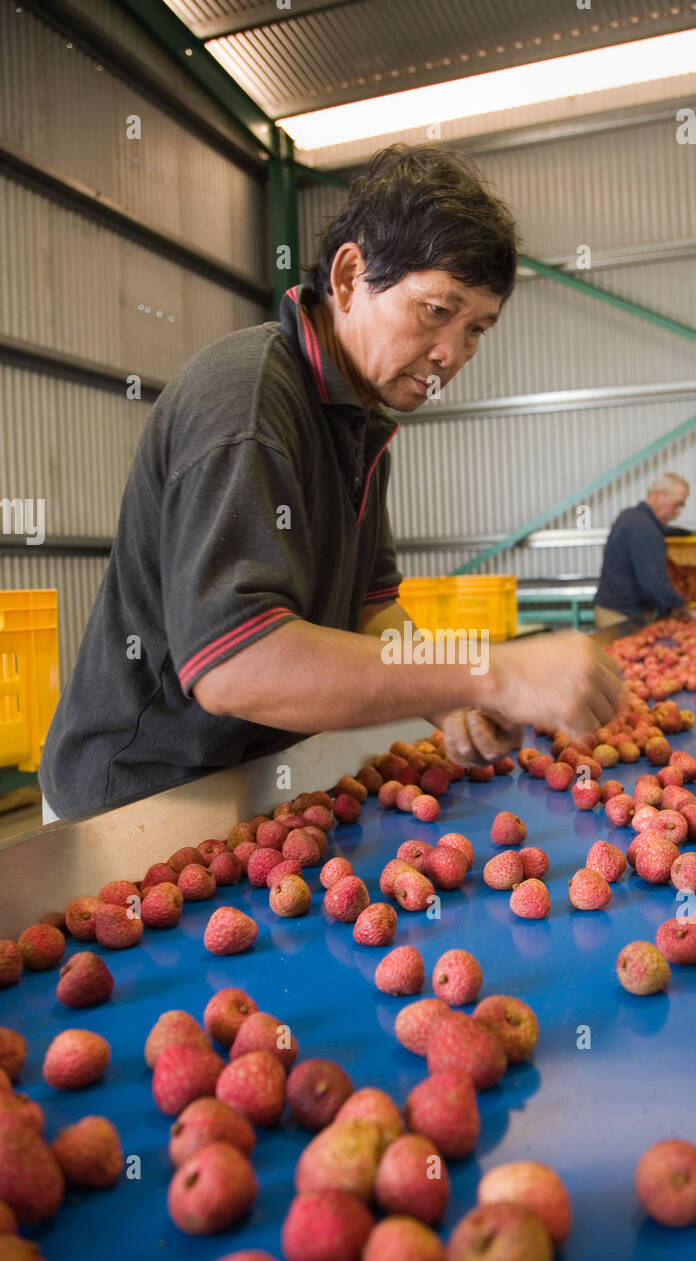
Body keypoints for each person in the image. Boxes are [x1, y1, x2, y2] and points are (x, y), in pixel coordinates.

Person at [39, 144, 623, 823]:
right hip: (138, 801)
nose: (452, 354)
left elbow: (373, 613)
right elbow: (237, 665)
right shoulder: (249, 402)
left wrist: (450, 702)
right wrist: (493, 670)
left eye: (476, 330)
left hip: (254, 789)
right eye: (437, 310)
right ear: (349, 275)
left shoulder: (358, 421)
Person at [593, 473, 693, 630]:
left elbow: (659, 531)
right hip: (621, 617)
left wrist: (690, 534)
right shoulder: (646, 531)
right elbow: (653, 584)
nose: (678, 512)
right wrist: (682, 606)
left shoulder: (631, 516)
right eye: (677, 505)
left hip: (609, 609)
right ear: (658, 495)